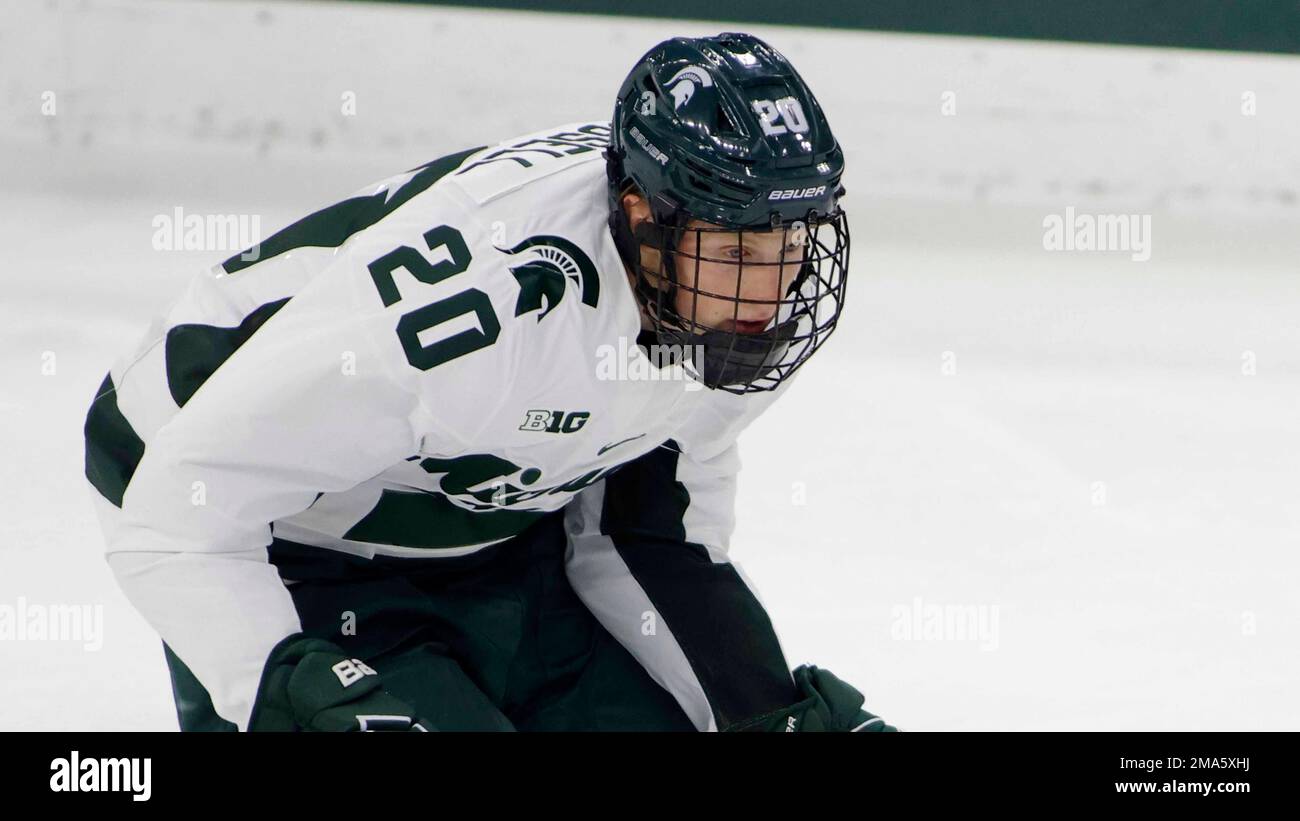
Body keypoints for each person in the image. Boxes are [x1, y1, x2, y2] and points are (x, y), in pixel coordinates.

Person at [83, 32, 895, 732]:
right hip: (260, 530)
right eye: (738, 251)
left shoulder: (724, 307)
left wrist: (758, 704)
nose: (769, 292)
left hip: (487, 522)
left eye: (792, 244)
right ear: (646, 218)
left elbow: (643, 525)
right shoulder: (475, 315)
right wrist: (285, 680)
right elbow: (176, 516)